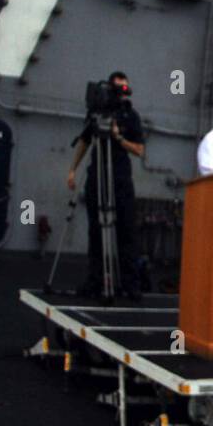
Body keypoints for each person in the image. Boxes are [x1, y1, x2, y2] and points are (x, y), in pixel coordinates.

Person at [67, 71, 145, 299]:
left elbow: (139, 150)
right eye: (116, 88)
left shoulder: (131, 116)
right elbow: (85, 140)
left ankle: (131, 285)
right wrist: (73, 169)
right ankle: (95, 281)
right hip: (97, 176)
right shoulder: (96, 115)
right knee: (96, 231)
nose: (121, 93)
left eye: (124, 88)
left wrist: (118, 137)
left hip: (119, 178)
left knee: (126, 231)